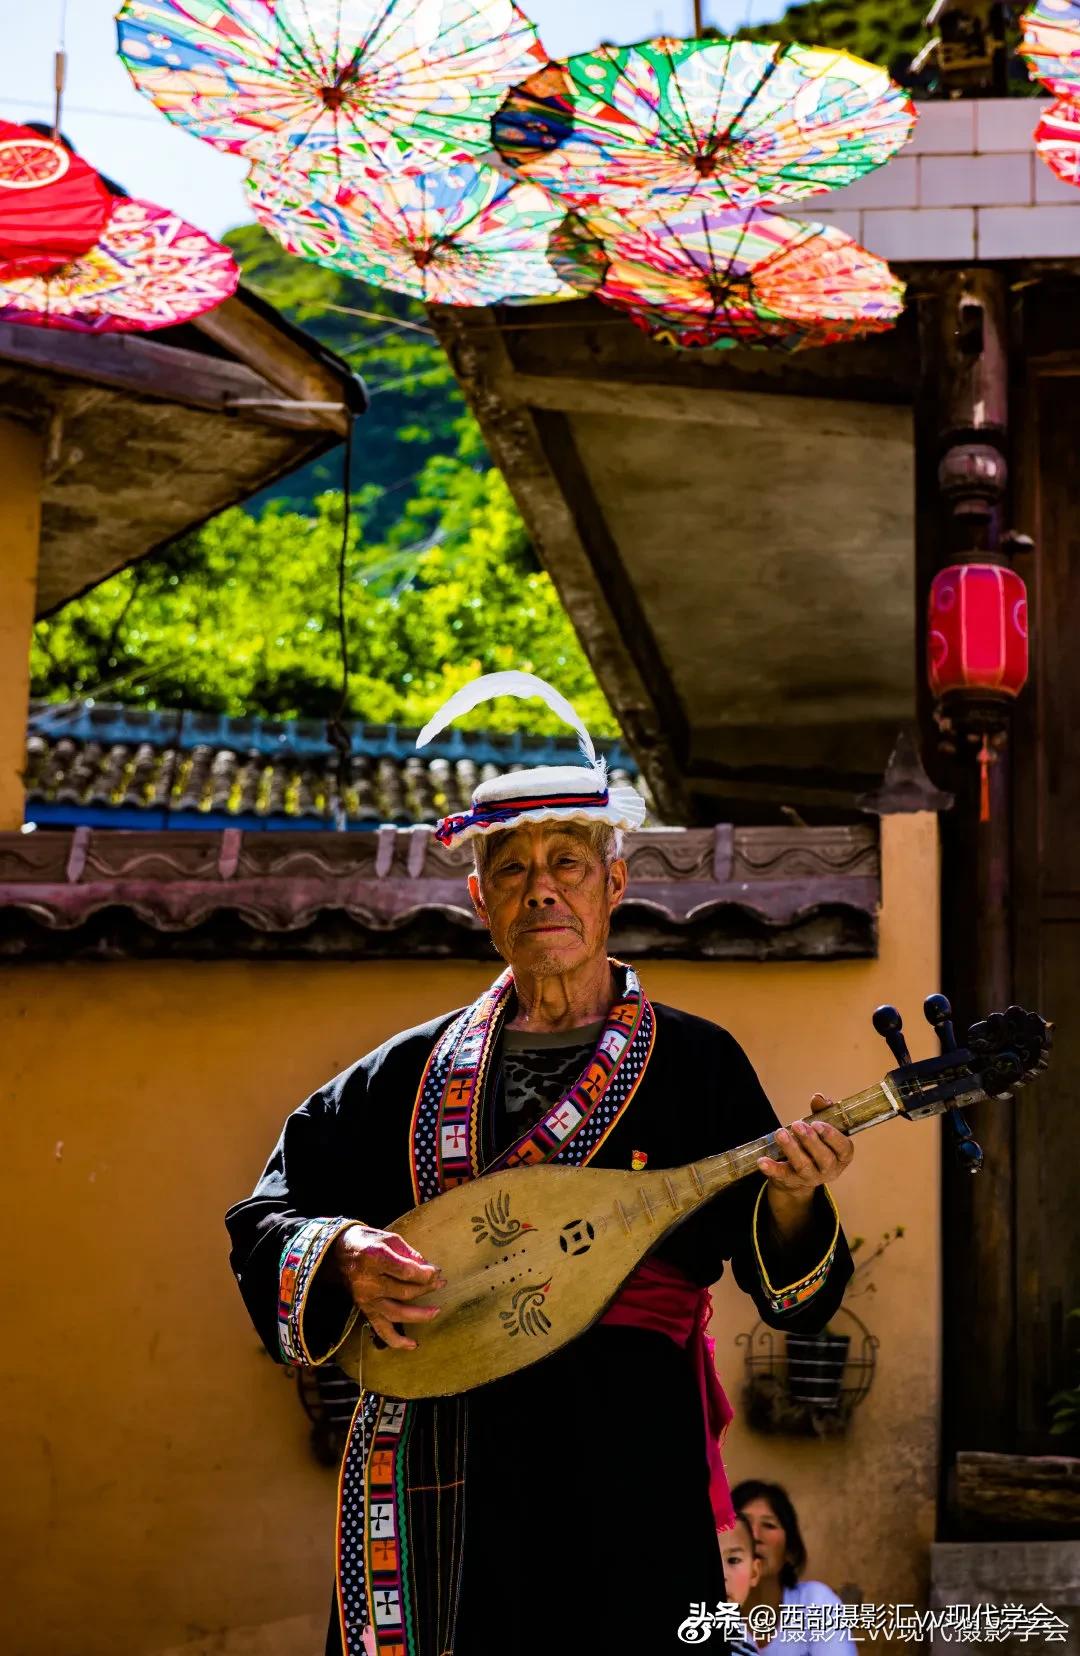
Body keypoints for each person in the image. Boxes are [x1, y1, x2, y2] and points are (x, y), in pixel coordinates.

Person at [226, 672, 856, 1656]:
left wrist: (794, 1200)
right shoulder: (405, 1077)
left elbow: (790, 1289)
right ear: (480, 898)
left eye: (568, 860)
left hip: (630, 1481)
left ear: (617, 882)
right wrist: (342, 1249)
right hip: (444, 1471)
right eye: (512, 869)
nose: (542, 887)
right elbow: (269, 1212)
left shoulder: (698, 1065)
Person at [733, 1480, 855, 1655]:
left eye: (769, 1525)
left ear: (790, 1550)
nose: (755, 1536)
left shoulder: (815, 1603)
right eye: (744, 1523)